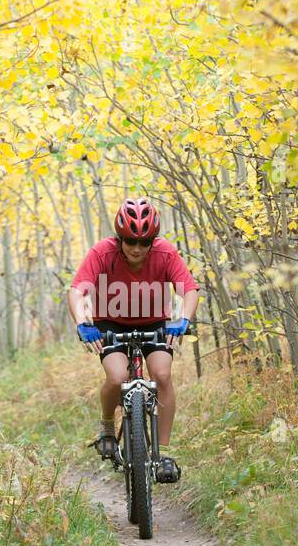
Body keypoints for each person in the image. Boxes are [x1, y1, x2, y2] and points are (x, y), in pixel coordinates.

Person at [67, 197, 199, 481]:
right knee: (116, 377)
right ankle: (106, 427)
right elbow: (77, 291)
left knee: (162, 374)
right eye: (130, 242)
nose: (137, 249)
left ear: (153, 241)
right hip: (109, 323)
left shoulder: (165, 253)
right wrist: (82, 324)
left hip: (154, 323)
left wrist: (184, 319)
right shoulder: (102, 253)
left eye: (145, 242)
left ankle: (162, 454)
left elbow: (188, 289)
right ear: (119, 238)